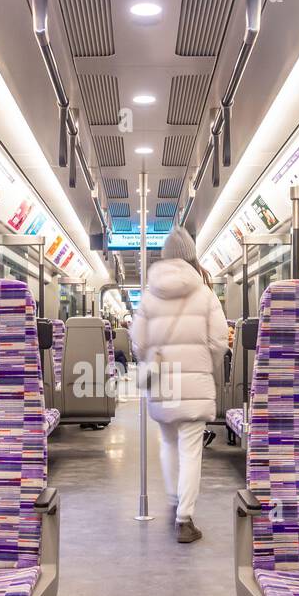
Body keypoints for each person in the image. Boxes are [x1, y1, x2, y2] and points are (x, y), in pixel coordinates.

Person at [131, 226, 228, 543]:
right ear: (191, 257)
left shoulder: (149, 295)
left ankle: (174, 501)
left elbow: (138, 342)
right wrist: (204, 366)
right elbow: (218, 341)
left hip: (162, 384)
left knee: (168, 444)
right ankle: (184, 519)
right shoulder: (205, 293)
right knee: (191, 450)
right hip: (195, 384)